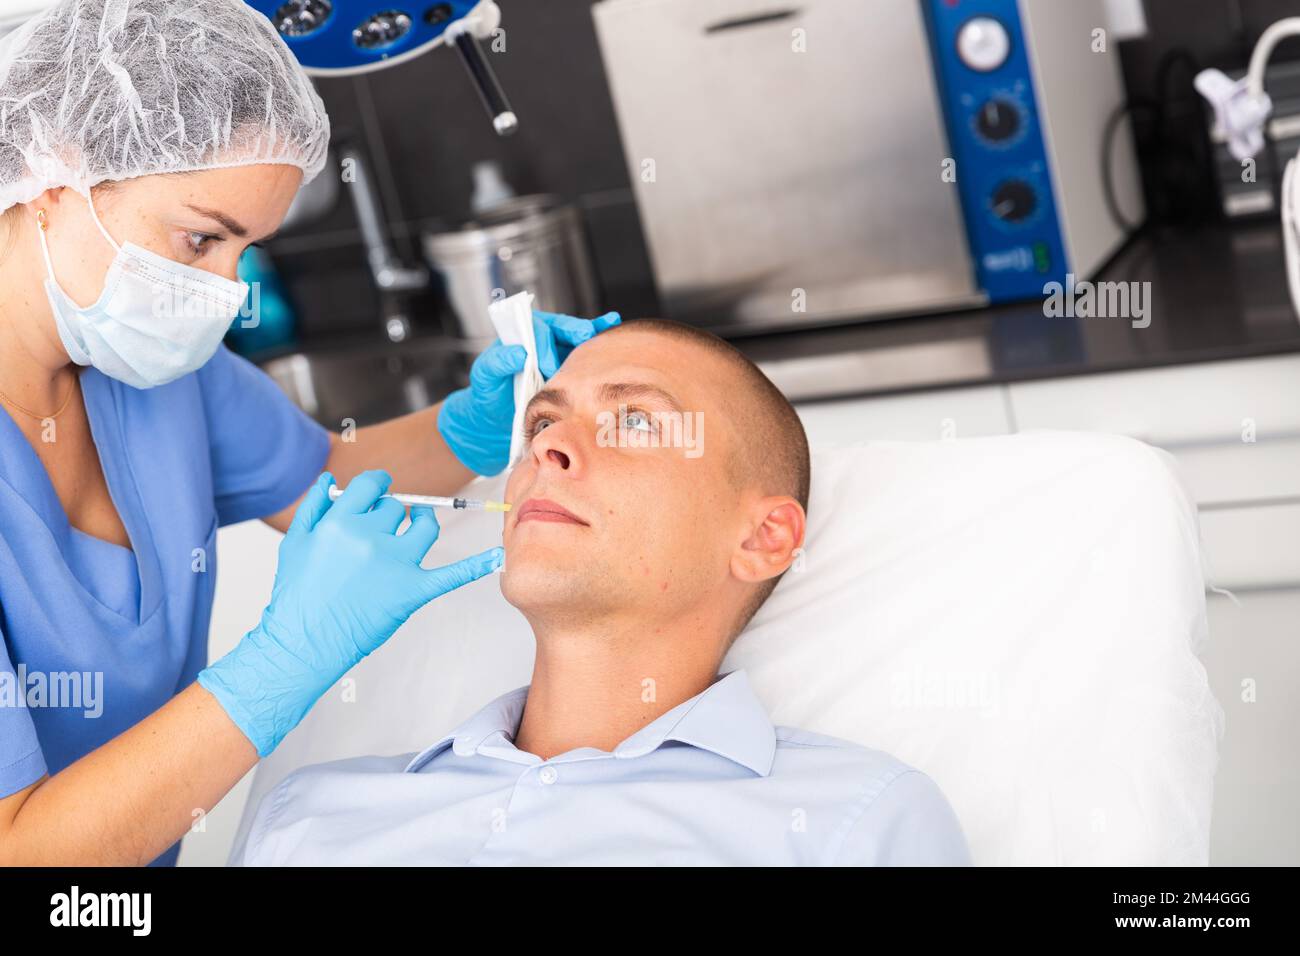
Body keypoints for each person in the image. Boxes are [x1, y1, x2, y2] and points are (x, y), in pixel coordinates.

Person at [0, 0, 616, 866]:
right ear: (55, 179)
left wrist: (474, 429)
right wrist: (285, 662)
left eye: (245, 248)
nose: (227, 289)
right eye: (200, 238)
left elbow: (318, 473)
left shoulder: (152, 371)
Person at [237, 320, 972, 866]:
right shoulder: (309, 815)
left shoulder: (856, 823)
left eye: (636, 420)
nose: (547, 447)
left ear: (762, 539)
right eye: (544, 422)